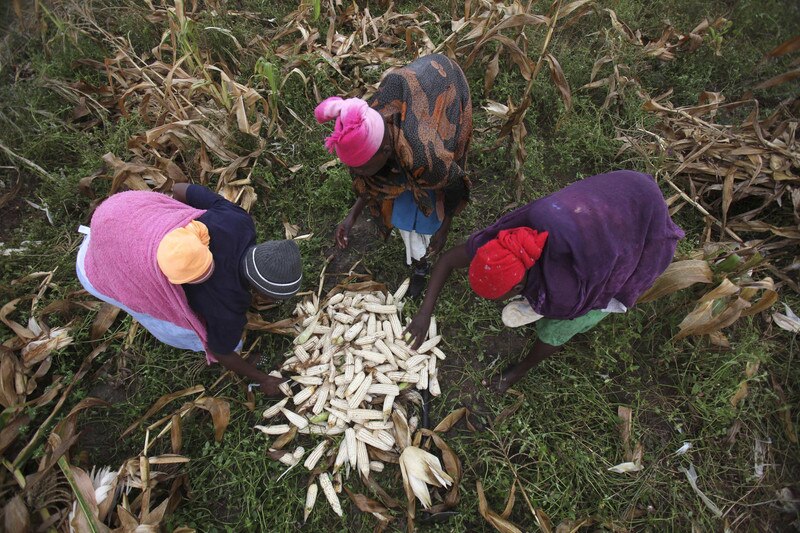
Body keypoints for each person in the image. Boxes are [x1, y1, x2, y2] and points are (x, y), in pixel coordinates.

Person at [405, 170, 685, 393]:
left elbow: (570, 311)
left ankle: (520, 370)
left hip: (640, 218)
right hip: (618, 194)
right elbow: (447, 260)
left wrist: (538, 307)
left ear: (517, 288)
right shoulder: (507, 239)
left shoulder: (566, 291)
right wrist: (423, 313)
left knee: (557, 328)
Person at [75, 183, 302, 397]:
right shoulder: (228, 306)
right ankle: (194, 340)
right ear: (260, 292)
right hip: (100, 268)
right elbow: (221, 350)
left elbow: (180, 189)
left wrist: (172, 226)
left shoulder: (238, 221)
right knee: (178, 325)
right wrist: (262, 379)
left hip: (117, 218)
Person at [315, 53, 472, 297]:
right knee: (404, 215)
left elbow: (454, 184)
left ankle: (421, 265)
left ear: (386, 151)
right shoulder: (365, 120)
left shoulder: (426, 157)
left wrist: (446, 228)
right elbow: (369, 181)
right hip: (413, 93)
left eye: (362, 168)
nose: (357, 173)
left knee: (430, 216)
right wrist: (351, 217)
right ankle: (419, 263)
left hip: (446, 82)